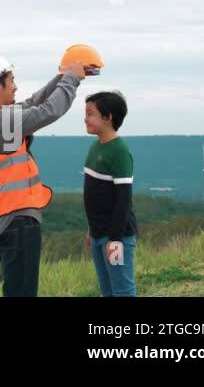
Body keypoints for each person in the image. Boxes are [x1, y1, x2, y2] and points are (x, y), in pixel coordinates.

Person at [0, 46, 102, 297]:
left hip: (7, 219)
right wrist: (71, 80)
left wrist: (63, 76)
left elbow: (33, 103)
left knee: (19, 289)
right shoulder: (4, 120)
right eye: (11, 80)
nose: (15, 86)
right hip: (16, 219)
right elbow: (47, 111)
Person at [83, 91, 138, 297]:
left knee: (122, 290)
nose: (85, 118)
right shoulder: (95, 146)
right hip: (98, 235)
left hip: (116, 237)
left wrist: (114, 239)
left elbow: (123, 200)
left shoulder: (119, 151)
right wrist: (91, 229)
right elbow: (96, 196)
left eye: (90, 114)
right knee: (107, 290)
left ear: (108, 118)